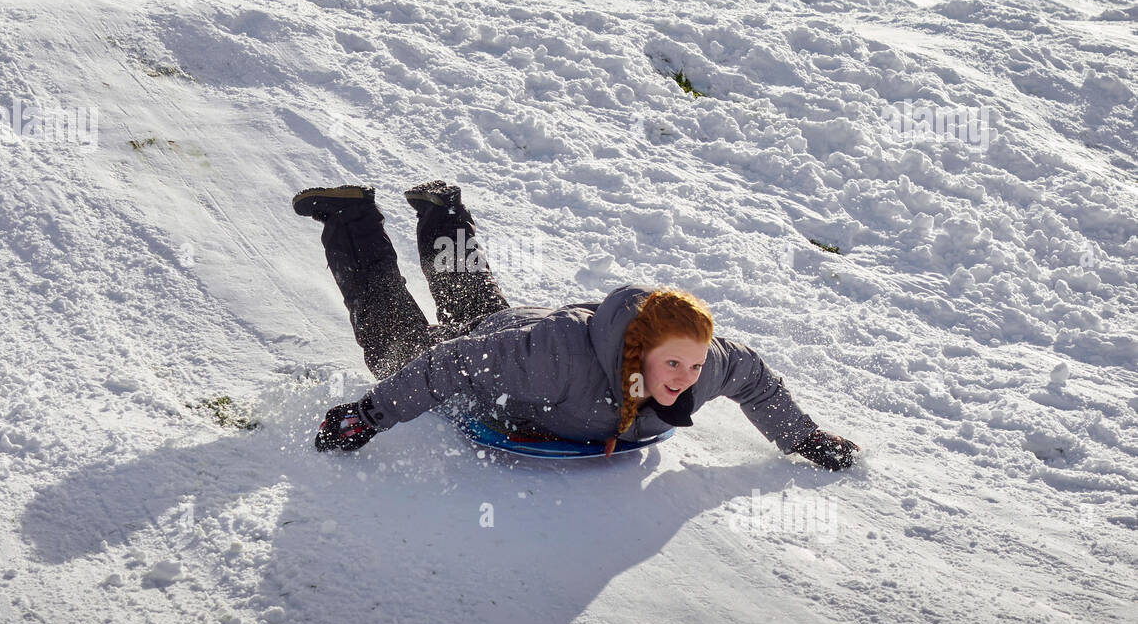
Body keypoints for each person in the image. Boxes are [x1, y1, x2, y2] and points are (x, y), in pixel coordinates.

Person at [293, 181, 859, 468]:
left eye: (694, 363)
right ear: (639, 349)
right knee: (399, 341)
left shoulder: (700, 367)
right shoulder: (558, 361)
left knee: (473, 300)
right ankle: (351, 216)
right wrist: (366, 416)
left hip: (521, 332)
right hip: (514, 346)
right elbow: (450, 365)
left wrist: (804, 438)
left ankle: (441, 210)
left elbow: (754, 377)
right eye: (674, 364)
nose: (687, 377)